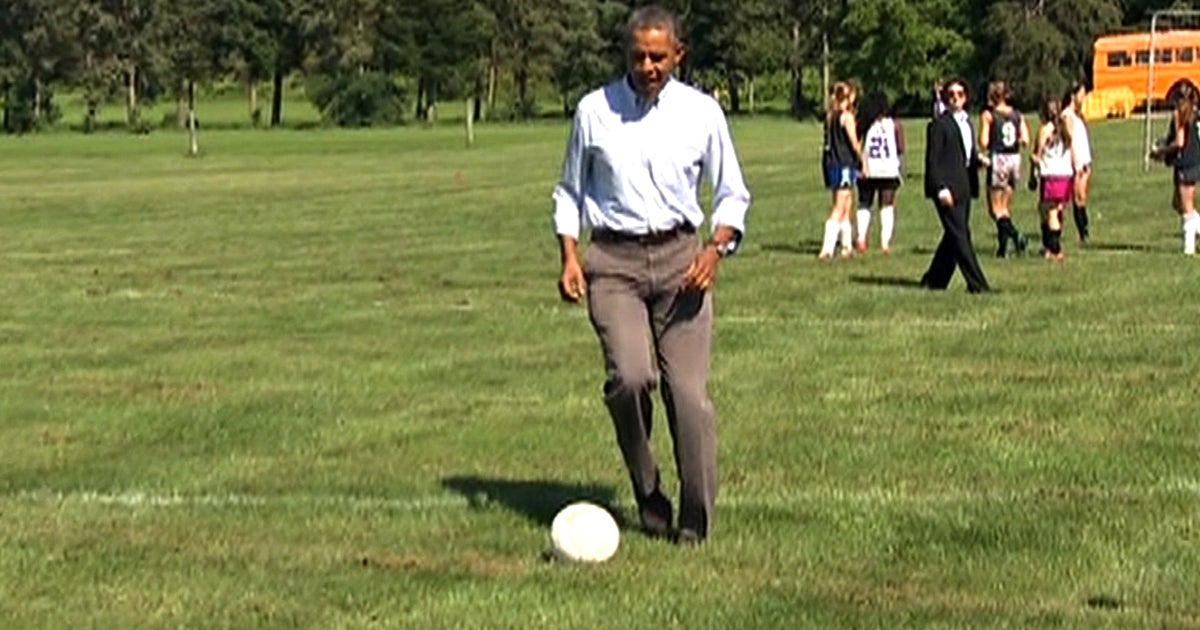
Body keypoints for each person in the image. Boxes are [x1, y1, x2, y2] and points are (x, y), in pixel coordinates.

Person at [551, 5, 751, 545]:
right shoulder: (594, 111)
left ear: (678, 55)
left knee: (688, 398)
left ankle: (694, 521)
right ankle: (647, 489)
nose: (647, 65)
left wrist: (715, 249)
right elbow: (569, 191)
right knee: (631, 380)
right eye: (638, 55)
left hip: (683, 262)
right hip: (612, 264)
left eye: (658, 56)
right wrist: (569, 254)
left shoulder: (702, 113)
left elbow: (732, 192)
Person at [921, 79, 991, 293]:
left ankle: (934, 280)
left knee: (953, 236)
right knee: (961, 236)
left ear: (966, 97)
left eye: (960, 94)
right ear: (945, 98)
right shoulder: (938, 125)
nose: (956, 98)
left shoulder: (967, 122)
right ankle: (978, 285)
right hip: (947, 188)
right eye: (951, 94)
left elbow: (964, 153)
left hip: (964, 185)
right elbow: (933, 161)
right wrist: (940, 189)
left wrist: (979, 161)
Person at [978, 81, 1031, 257]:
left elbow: (984, 142)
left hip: (999, 158)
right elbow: (1025, 140)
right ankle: (1002, 249)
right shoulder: (1018, 115)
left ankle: (1016, 236)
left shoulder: (989, 115)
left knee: (995, 209)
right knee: (1005, 207)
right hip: (1015, 159)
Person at [1150, 83, 1200, 255]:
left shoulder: (1180, 114)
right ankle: (1195, 229)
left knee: (1186, 207)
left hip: (1185, 162)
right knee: (1177, 203)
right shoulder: (1196, 113)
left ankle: (1189, 247)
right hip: (1196, 161)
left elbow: (1179, 142)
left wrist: (1161, 151)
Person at [855, 91, 904, 254]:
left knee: (864, 203)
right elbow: (900, 148)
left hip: (868, 168)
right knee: (887, 205)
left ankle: (861, 237)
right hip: (888, 169)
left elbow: (858, 145)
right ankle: (885, 242)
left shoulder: (864, 124)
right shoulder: (894, 124)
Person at [818, 82, 863, 259]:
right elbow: (853, 142)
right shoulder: (846, 117)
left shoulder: (830, 116)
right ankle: (827, 248)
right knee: (839, 206)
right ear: (848, 97)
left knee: (846, 203)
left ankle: (846, 245)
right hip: (844, 163)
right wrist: (861, 159)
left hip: (831, 163)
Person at [1031, 98, 1075, 262]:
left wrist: (1033, 168)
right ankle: (1048, 245)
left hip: (1050, 174)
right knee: (1053, 209)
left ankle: (1055, 250)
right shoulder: (1066, 129)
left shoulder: (1045, 130)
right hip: (1065, 174)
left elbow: (1037, 154)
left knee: (1050, 212)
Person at [1061, 82, 1093, 243]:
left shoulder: (1078, 115)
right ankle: (1082, 231)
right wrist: (1077, 164)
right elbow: (1070, 141)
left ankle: (1085, 230)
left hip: (1084, 161)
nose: (1084, 97)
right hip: (1077, 163)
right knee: (1077, 198)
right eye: (1081, 94)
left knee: (1082, 197)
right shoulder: (1067, 116)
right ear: (1073, 96)